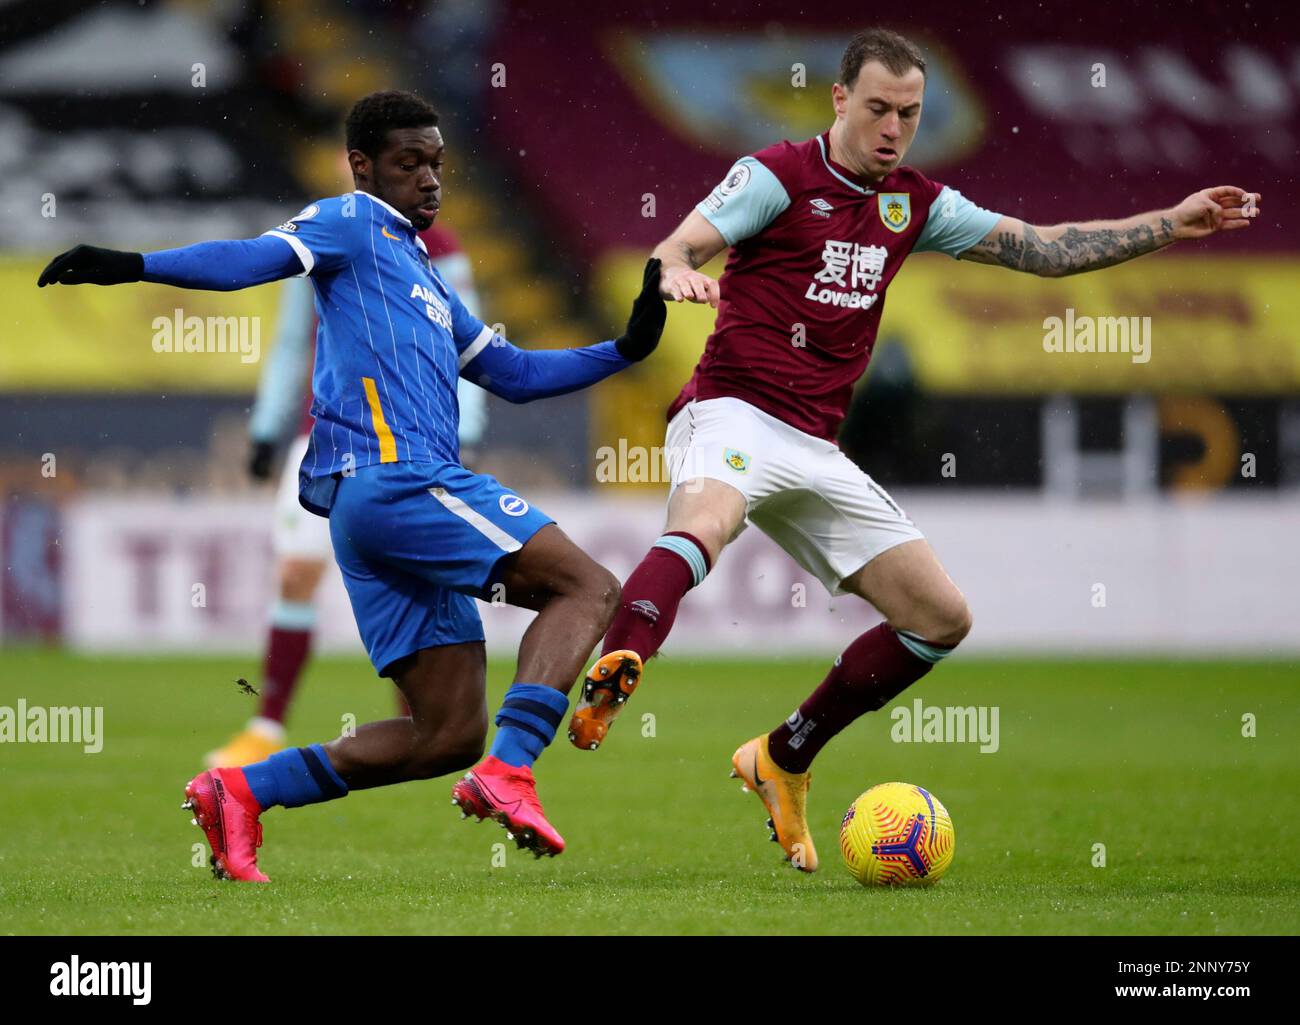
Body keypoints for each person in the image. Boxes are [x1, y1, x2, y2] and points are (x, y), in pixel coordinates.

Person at [569, 28, 1260, 873]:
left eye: (910, 113)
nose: (894, 129)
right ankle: (619, 662)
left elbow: (1043, 248)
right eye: (878, 110)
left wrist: (1170, 223)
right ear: (838, 99)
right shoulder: (776, 176)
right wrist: (676, 268)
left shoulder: (918, 204)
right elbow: (679, 244)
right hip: (733, 409)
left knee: (940, 618)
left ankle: (784, 755)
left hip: (817, 445)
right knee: (705, 519)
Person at [38, 89, 666, 881]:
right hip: (398, 479)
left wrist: (625, 348)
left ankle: (237, 790)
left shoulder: (426, 276)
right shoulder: (348, 221)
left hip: (374, 511)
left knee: (445, 732)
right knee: (589, 587)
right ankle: (512, 769)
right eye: (410, 164)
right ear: (364, 166)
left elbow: (511, 371)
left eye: (437, 163)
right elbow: (249, 259)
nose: (430, 179)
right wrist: (130, 265)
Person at [207, 223, 488, 768]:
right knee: (295, 574)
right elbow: (293, 336)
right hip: (326, 437)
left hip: (412, 440)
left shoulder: (441, 248)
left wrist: (468, 428)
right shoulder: (317, 232)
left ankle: (418, 726)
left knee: (413, 582)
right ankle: (264, 727)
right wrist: (268, 424)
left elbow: (467, 339)